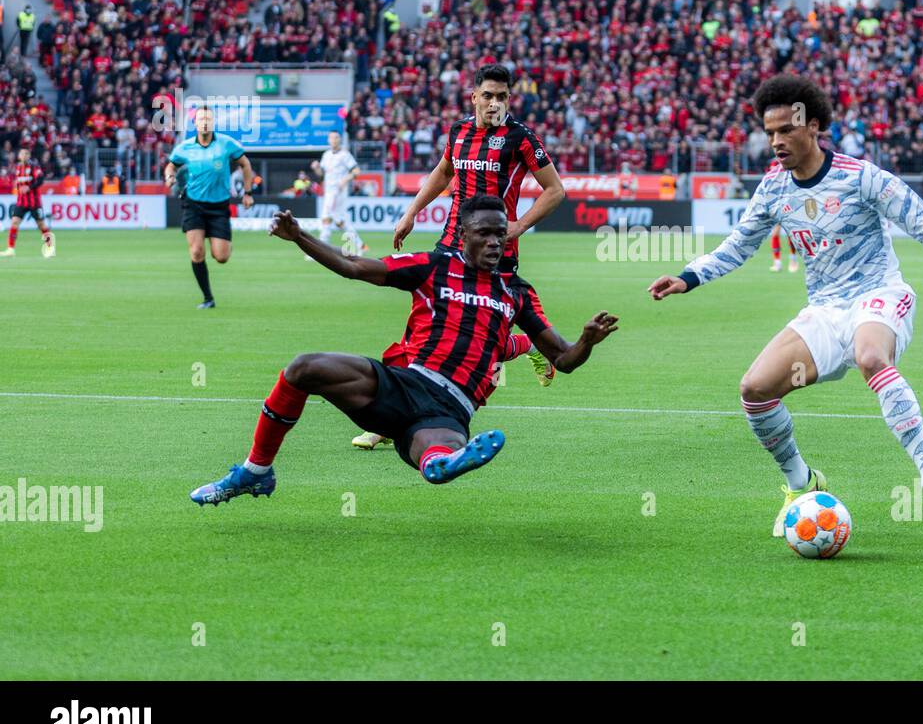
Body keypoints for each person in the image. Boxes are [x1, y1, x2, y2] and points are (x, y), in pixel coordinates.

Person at [648, 74, 923, 535]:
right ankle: (800, 482)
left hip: (879, 294)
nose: (775, 141)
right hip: (826, 310)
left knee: (871, 355)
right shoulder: (773, 188)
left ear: (813, 126)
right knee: (754, 389)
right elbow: (737, 246)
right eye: (769, 132)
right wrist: (688, 277)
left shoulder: (861, 177)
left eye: (785, 130)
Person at [188, 195, 618, 505]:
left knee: (437, 463)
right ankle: (255, 472)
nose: (494, 243)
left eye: (500, 235)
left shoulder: (517, 292)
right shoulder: (433, 267)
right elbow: (356, 267)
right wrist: (300, 237)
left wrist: (586, 342)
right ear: (463, 235)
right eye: (484, 234)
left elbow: (563, 359)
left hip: (449, 409)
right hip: (401, 382)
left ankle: (444, 461)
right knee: (303, 368)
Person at [357, 64, 566, 450]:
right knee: (422, 330)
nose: (494, 103)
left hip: (493, 255)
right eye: (488, 95)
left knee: (483, 340)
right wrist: (411, 212)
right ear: (473, 97)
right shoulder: (458, 133)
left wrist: (518, 227)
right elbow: (442, 173)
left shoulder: (520, 138)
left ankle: (529, 345)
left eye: (502, 96)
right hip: (450, 247)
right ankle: (390, 419)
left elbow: (555, 190)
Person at [163, 106, 256, 309]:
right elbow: (171, 165)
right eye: (201, 119)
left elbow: (246, 164)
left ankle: (219, 243)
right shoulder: (184, 148)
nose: (204, 122)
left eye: (208, 119)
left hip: (219, 206)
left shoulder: (226, 144)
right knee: (196, 252)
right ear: (195, 123)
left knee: (222, 257)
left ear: (213, 123)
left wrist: (248, 193)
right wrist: (169, 176)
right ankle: (208, 298)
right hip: (193, 204)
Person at [309, 131, 364, 254]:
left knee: (326, 217)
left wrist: (345, 179)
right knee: (339, 221)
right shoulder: (326, 155)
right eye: (332, 138)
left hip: (338, 192)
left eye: (336, 138)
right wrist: (316, 168)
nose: (334, 140)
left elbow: (356, 171)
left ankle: (320, 251)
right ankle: (360, 245)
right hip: (329, 192)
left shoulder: (345, 155)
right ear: (328, 140)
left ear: (340, 140)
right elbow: (322, 175)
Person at [1, 147, 55, 258]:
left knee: (41, 224)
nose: (23, 156)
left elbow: (40, 180)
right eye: (21, 154)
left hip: (34, 202)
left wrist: (29, 188)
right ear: (19, 156)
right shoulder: (17, 168)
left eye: (26, 154)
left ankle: (50, 247)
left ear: (29, 156)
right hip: (21, 201)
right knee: (14, 222)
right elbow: (15, 182)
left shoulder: (33, 167)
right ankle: (11, 249)